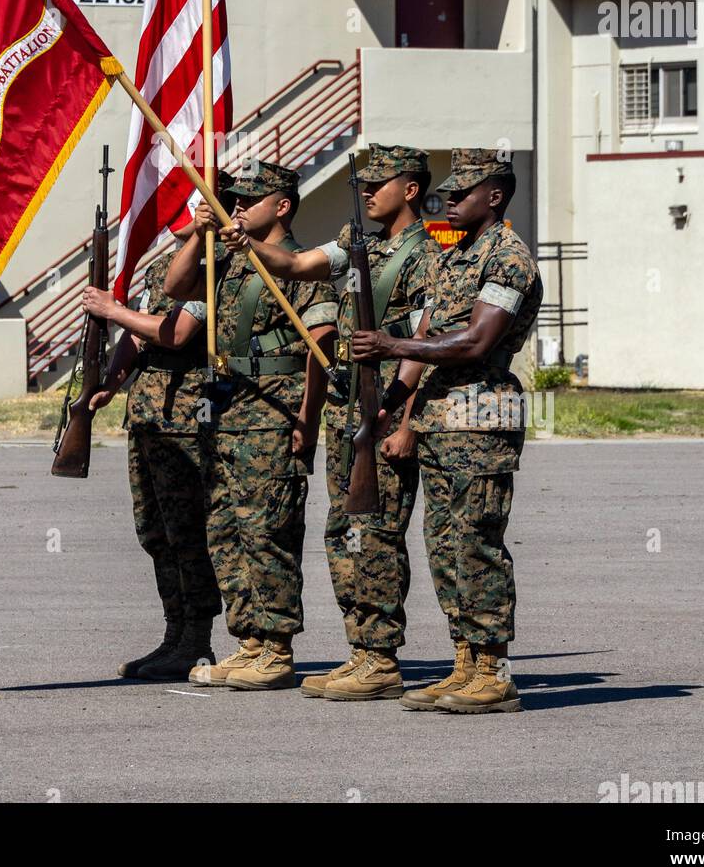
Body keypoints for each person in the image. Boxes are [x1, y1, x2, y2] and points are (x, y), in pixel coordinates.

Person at [218, 144, 438, 700]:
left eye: (379, 183)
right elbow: (296, 265)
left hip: (383, 405)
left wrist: (404, 414)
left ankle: (381, 657)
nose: (367, 192)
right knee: (343, 532)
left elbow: (424, 341)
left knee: (377, 532)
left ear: (409, 190)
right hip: (349, 406)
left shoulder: (423, 255)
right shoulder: (355, 243)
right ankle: (360, 650)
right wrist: (250, 245)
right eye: (364, 184)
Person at [351, 149, 542, 715]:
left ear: (495, 196)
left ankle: (493, 671)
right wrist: (396, 404)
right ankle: (464, 663)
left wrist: (391, 345)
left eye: (462, 192)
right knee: (444, 546)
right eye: (449, 192)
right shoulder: (454, 261)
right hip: (440, 418)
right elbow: (430, 335)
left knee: (476, 543)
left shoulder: (508, 258)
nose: (449, 200)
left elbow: (477, 341)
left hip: (481, 419)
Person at [164, 162, 338, 691]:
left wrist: (308, 422)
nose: (236, 206)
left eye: (250, 199)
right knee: (225, 531)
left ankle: (276, 647)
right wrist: (198, 233)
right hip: (228, 412)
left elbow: (321, 343)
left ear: (281, 206)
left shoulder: (296, 267)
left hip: (274, 413)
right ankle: (249, 642)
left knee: (268, 532)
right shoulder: (229, 263)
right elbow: (176, 287)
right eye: (233, 199)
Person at [80, 213, 233, 682]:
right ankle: (174, 634)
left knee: (187, 535)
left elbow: (177, 333)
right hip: (147, 415)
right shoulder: (161, 265)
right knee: (155, 533)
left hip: (185, 420)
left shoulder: (214, 263)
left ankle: (196, 640)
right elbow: (137, 333)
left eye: (186, 204)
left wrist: (113, 309)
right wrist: (110, 380)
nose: (175, 216)